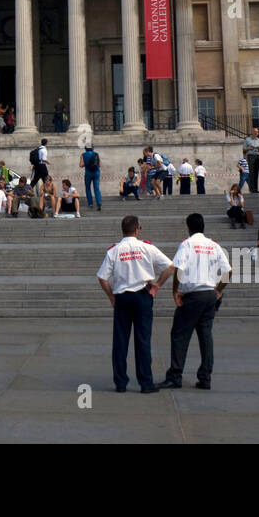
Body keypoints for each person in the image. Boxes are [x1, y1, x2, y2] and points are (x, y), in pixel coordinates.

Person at [96, 214, 176, 394]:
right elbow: (170, 267)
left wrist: (111, 296)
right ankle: (146, 383)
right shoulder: (147, 247)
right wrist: (157, 286)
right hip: (143, 296)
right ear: (137, 229)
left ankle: (121, 383)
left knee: (120, 341)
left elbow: (102, 277)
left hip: (122, 297)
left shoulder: (114, 250)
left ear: (123, 230)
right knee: (143, 340)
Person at [157, 213, 232, 391]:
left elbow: (179, 269)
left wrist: (175, 291)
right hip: (209, 295)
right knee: (206, 336)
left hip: (193, 296)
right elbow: (228, 272)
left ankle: (175, 375)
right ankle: (205, 377)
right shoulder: (214, 245)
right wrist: (218, 290)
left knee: (180, 334)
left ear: (189, 227)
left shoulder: (188, 244)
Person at [80, 143, 102, 212]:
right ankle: (99, 203)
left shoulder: (83, 155)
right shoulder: (96, 154)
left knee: (88, 188)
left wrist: (86, 164)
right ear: (92, 148)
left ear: (85, 148)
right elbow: (100, 164)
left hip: (88, 173)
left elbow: (81, 165)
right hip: (96, 173)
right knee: (96, 188)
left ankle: (90, 203)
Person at [243, 128, 259, 193]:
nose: (255, 133)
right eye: (254, 131)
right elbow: (244, 150)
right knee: (251, 173)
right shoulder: (247, 139)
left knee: (256, 173)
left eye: (257, 132)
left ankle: (255, 189)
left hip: (257, 156)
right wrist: (249, 148)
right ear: (252, 132)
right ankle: (251, 189)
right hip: (250, 156)